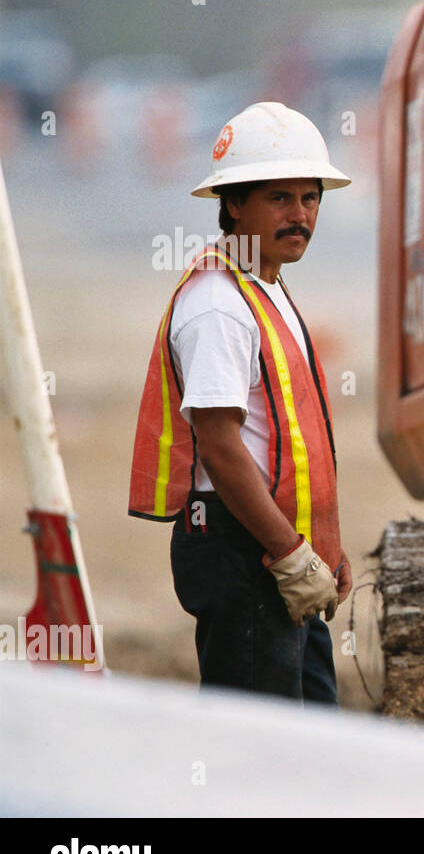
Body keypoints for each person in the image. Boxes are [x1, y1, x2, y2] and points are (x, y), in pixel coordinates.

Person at [128, 101, 353, 703]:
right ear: (232, 203)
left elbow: (286, 444)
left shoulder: (265, 287)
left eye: (310, 199)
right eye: (279, 198)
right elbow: (223, 449)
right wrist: (287, 554)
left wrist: (322, 547)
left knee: (304, 744)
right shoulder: (218, 304)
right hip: (241, 545)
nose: (300, 215)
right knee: (254, 758)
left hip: (280, 545)